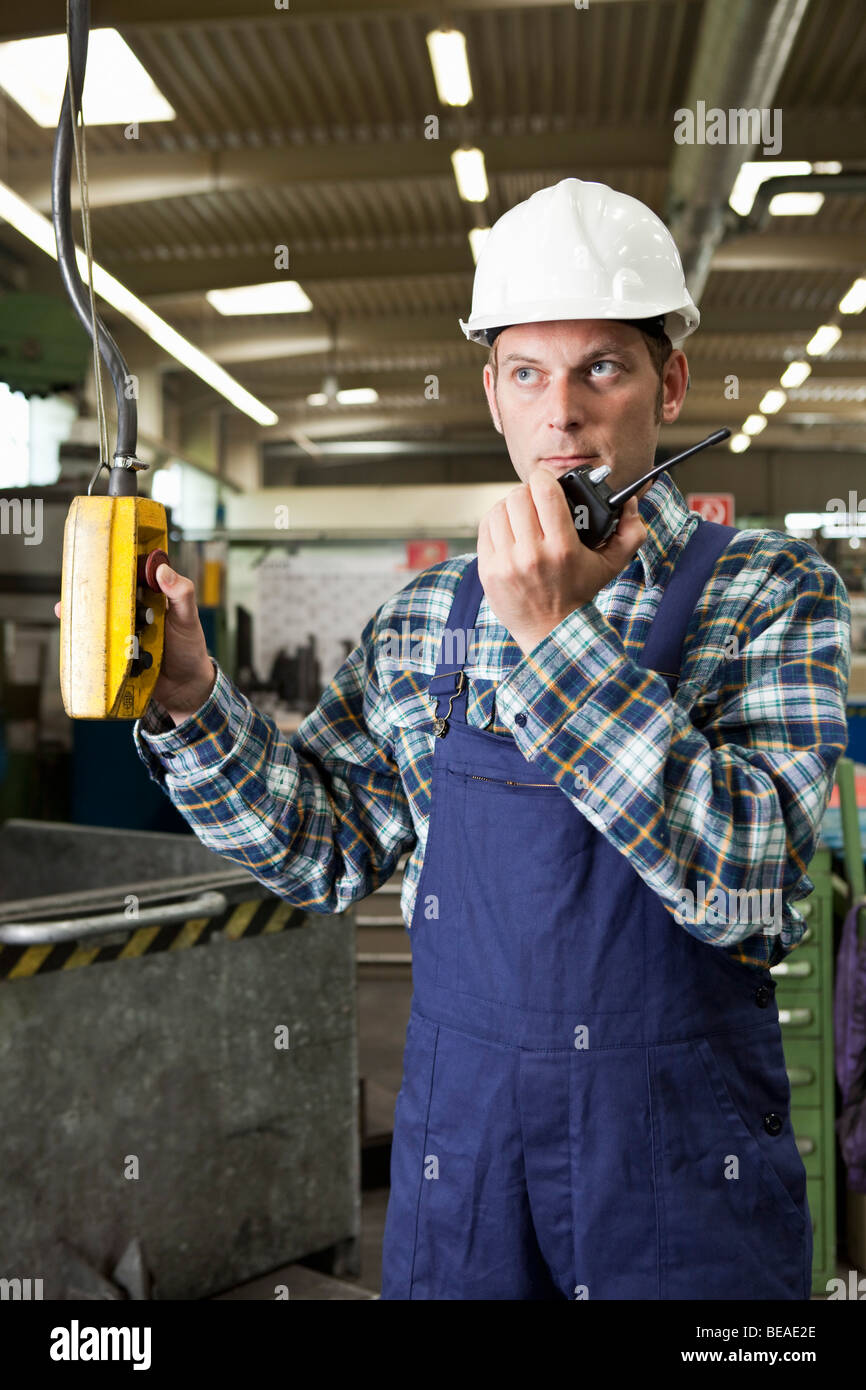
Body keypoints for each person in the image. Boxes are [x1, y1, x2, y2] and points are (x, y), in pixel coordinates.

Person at [66, 178, 849, 1300]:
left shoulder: (766, 593)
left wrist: (552, 638)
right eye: (526, 372)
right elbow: (321, 851)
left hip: (675, 1168)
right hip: (465, 1162)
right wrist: (193, 698)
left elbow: (752, 889)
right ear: (490, 394)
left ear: (667, 384)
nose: (561, 413)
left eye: (601, 368)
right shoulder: (426, 616)